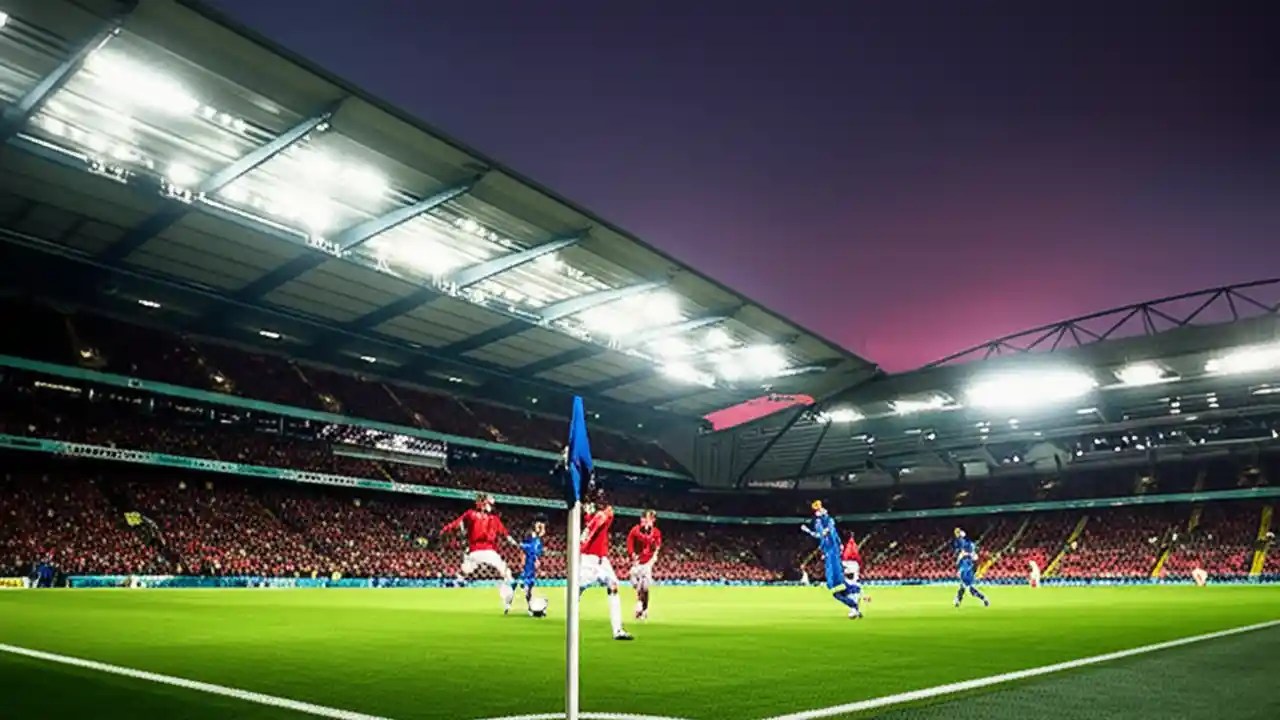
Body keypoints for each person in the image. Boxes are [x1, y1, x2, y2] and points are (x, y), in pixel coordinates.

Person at [441, 493, 517, 612]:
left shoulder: (470, 514)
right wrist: (514, 543)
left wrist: (444, 531)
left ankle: (457, 583)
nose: (491, 506)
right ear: (485, 504)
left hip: (473, 553)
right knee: (507, 574)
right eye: (490, 503)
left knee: (465, 572)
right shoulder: (494, 519)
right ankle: (507, 601)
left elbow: (456, 523)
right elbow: (506, 534)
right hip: (489, 551)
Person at [579, 491, 633, 640]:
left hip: (602, 560)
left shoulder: (595, 516)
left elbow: (589, 526)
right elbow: (588, 533)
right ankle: (571, 622)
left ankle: (618, 630)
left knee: (613, 585)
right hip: (589, 559)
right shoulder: (600, 517)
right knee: (578, 589)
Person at [801, 501, 861, 618]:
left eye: (821, 509)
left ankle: (854, 604)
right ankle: (854, 599)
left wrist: (809, 531)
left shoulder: (825, 522)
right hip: (831, 552)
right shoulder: (826, 522)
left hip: (832, 553)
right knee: (836, 586)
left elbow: (823, 534)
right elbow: (825, 534)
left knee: (834, 586)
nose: (820, 511)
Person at [626, 510, 663, 620]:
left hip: (648, 562)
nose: (646, 521)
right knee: (634, 581)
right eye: (644, 518)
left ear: (653, 520)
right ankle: (640, 603)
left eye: (649, 519)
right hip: (636, 562)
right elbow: (629, 543)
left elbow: (657, 546)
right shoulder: (635, 530)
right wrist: (632, 555)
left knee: (645, 587)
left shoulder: (656, 532)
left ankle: (642, 607)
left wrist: (654, 557)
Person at [513, 518, 546, 614]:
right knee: (527, 587)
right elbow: (524, 550)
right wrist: (522, 560)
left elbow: (537, 551)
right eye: (538, 525)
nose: (540, 526)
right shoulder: (530, 537)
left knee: (530, 588)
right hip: (528, 565)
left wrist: (537, 560)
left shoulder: (538, 540)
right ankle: (531, 606)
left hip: (533, 565)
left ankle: (533, 606)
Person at [952, 528, 990, 608]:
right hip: (967, 571)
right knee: (963, 586)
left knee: (968, 589)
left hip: (967, 571)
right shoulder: (971, 554)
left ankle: (984, 599)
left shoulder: (966, 553)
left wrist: (962, 570)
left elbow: (959, 561)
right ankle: (958, 600)